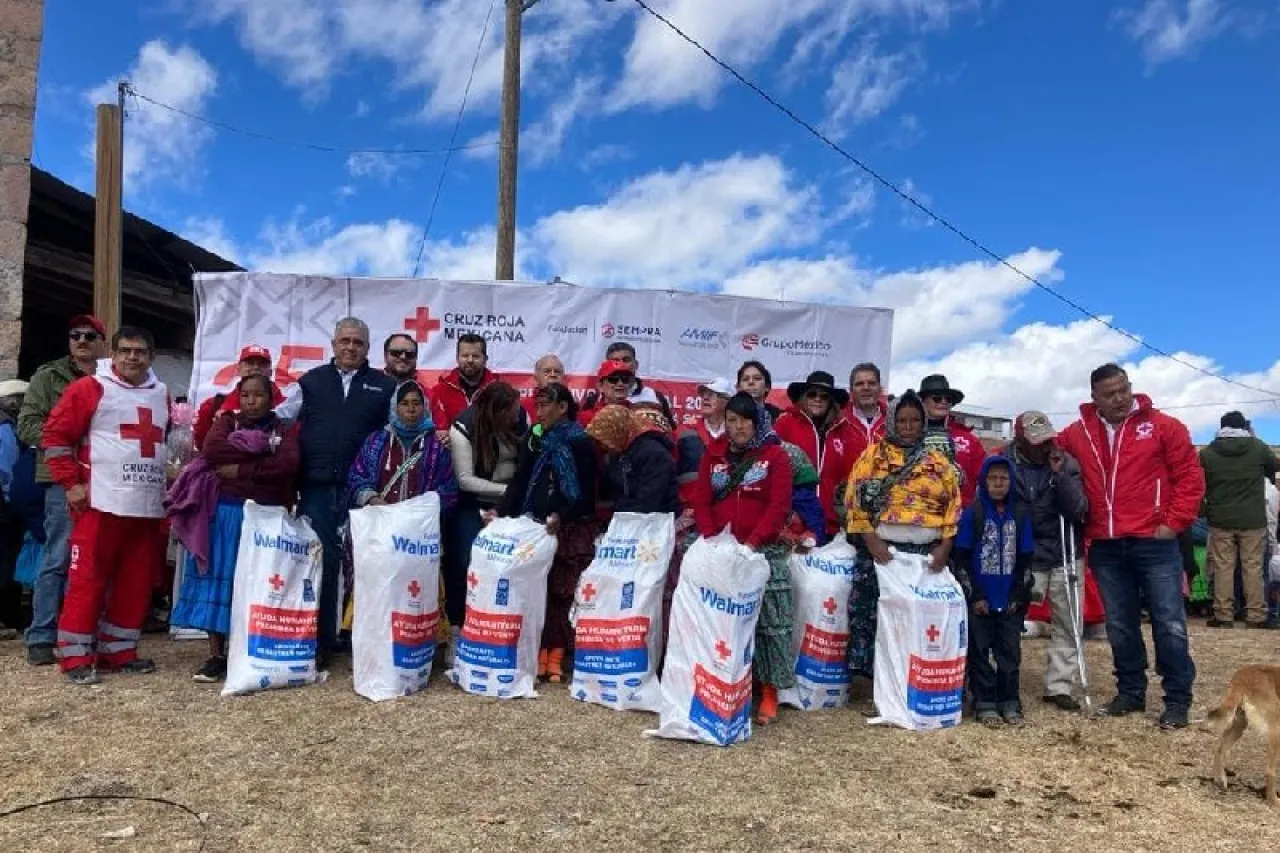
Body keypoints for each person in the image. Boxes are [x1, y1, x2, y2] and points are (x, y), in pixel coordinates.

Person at [1056, 363, 1204, 729]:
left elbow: (1189, 477)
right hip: (1105, 543)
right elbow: (1043, 448)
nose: (1119, 398)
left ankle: (1177, 698)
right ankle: (1131, 693)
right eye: (1110, 394)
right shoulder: (1078, 433)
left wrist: (1172, 524)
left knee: (1168, 622)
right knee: (1120, 624)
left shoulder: (1165, 427)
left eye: (1123, 389)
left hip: (1154, 540)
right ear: (1095, 398)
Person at [43, 326, 171, 685]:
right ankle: (76, 657)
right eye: (126, 351)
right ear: (112, 355)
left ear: (151, 357)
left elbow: (166, 443)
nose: (133, 357)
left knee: (136, 583)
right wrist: (70, 483)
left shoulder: (161, 394)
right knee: (87, 580)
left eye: (140, 351)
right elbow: (55, 435)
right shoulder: (90, 388)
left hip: (145, 507)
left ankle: (119, 650)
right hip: (100, 504)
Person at [170, 375, 300, 683]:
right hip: (227, 513)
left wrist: (241, 469)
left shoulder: (284, 429)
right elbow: (214, 452)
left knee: (260, 583)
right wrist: (262, 453)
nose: (251, 401)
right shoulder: (226, 423)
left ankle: (252, 651)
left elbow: (287, 465)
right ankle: (216, 655)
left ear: (272, 399)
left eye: (258, 395)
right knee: (220, 580)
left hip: (267, 516)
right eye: (245, 395)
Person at [689, 392, 796, 725]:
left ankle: (768, 692)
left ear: (757, 421)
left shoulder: (774, 456)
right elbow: (702, 500)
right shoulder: (713, 455)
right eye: (731, 421)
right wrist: (711, 538)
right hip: (721, 547)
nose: (737, 428)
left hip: (760, 548)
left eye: (744, 421)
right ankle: (722, 684)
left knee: (769, 621)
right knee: (717, 619)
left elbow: (778, 506)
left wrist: (752, 543)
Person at [296, 317, 397, 668]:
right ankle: (320, 642)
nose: (350, 347)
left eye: (358, 342)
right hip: (317, 486)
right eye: (345, 341)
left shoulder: (383, 387)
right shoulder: (310, 382)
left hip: (364, 490)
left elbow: (397, 432)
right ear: (334, 344)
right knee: (319, 564)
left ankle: (363, 643)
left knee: (366, 566)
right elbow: (282, 420)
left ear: (368, 349)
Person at [844, 391, 961, 681]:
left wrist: (945, 546)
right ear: (893, 421)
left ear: (923, 423)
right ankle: (879, 681)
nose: (909, 427)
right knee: (878, 614)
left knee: (921, 619)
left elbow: (953, 505)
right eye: (903, 420)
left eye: (915, 421)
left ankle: (916, 675)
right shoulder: (873, 456)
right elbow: (854, 499)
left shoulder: (938, 462)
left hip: (926, 554)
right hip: (884, 552)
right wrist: (871, 541)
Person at [20, 314, 106, 666]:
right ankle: (41, 634)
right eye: (75, 335)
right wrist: (71, 439)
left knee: (95, 558)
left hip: (106, 477)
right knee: (58, 555)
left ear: (102, 341)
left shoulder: (112, 378)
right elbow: (27, 426)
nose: (81, 340)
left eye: (89, 335)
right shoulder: (47, 376)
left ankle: (83, 632)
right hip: (63, 477)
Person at [498, 382, 598, 684]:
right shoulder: (534, 438)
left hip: (568, 527)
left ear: (563, 407)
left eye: (545, 406)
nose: (538, 412)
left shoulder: (580, 442)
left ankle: (556, 654)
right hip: (534, 526)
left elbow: (588, 495)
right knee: (533, 588)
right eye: (536, 406)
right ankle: (536, 649)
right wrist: (500, 513)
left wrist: (562, 516)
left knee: (561, 592)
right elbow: (520, 480)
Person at [1002, 411, 1090, 711]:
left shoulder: (1066, 462)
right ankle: (1004, 678)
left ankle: (1059, 685)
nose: (1042, 447)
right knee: (1008, 619)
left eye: (1046, 440)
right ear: (1020, 439)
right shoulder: (1004, 463)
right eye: (1035, 441)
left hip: (1063, 552)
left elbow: (1078, 509)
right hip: (1021, 553)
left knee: (1068, 622)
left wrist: (1060, 475)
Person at [952, 456, 1036, 726]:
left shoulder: (1021, 514)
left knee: (1009, 653)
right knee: (980, 652)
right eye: (993, 478)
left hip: (1009, 598)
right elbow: (962, 558)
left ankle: (1010, 701)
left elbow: (1025, 560)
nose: (998, 484)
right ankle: (985, 701)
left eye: (1003, 479)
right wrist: (975, 595)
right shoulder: (973, 514)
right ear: (983, 482)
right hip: (982, 598)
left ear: (1011, 482)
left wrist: (1017, 596)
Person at [448, 382, 524, 644]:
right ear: (497, 412)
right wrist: (508, 492)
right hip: (473, 502)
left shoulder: (520, 420)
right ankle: (458, 627)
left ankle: (501, 627)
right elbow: (465, 480)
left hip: (510, 505)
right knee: (464, 562)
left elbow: (524, 465)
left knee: (510, 567)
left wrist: (512, 499)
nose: (517, 416)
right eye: (512, 412)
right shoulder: (463, 427)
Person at [1199, 411, 1279, 629]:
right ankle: (1256, 616)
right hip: (1253, 518)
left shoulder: (1207, 453)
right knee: (1252, 567)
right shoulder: (1258, 447)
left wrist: (1203, 510)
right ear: (1244, 426)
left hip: (1220, 518)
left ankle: (1223, 615)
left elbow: (1198, 486)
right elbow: (1275, 471)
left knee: (1223, 567)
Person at [774, 370, 858, 543]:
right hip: (794, 522)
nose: (818, 399)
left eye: (824, 396)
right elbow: (773, 469)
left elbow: (851, 477)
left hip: (834, 524)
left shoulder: (846, 432)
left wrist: (843, 513)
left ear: (831, 401)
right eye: (812, 394)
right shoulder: (784, 424)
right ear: (803, 397)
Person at [586, 404, 679, 515]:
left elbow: (648, 502)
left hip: (655, 520)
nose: (602, 446)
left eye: (604, 440)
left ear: (617, 431)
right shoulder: (620, 450)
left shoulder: (653, 454)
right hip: (630, 517)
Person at [192, 345, 282, 450]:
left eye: (262, 364)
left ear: (270, 372)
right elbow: (202, 448)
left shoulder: (289, 407)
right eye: (250, 363)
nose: (256, 367)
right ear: (238, 369)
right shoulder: (212, 406)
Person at [917, 374, 986, 505]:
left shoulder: (969, 439)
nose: (943, 402)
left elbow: (985, 478)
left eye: (948, 399)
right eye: (937, 398)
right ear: (922, 401)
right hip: (917, 517)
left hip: (960, 516)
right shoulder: (908, 436)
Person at [580, 342, 674, 424]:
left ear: (636, 364)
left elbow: (670, 431)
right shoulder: (594, 400)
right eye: (615, 361)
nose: (621, 364)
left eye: (626, 360)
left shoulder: (654, 396)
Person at [0, 379, 29, 640]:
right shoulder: (6, 430)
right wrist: (13, 500)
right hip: (4, 506)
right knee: (7, 559)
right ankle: (7, 615)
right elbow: (6, 469)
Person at [431, 333, 498, 434]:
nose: (470, 360)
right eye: (465, 356)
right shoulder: (439, 391)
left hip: (488, 448)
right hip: (451, 448)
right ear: (457, 358)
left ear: (485, 359)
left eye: (475, 356)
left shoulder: (497, 390)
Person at [845, 362, 888, 464]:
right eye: (859, 384)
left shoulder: (895, 420)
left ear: (880, 388)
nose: (866, 388)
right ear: (851, 390)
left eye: (871, 383)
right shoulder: (836, 421)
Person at [523, 354, 565, 420]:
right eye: (547, 371)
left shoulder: (571, 405)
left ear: (563, 377)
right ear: (536, 377)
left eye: (557, 372)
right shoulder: (523, 405)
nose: (552, 375)